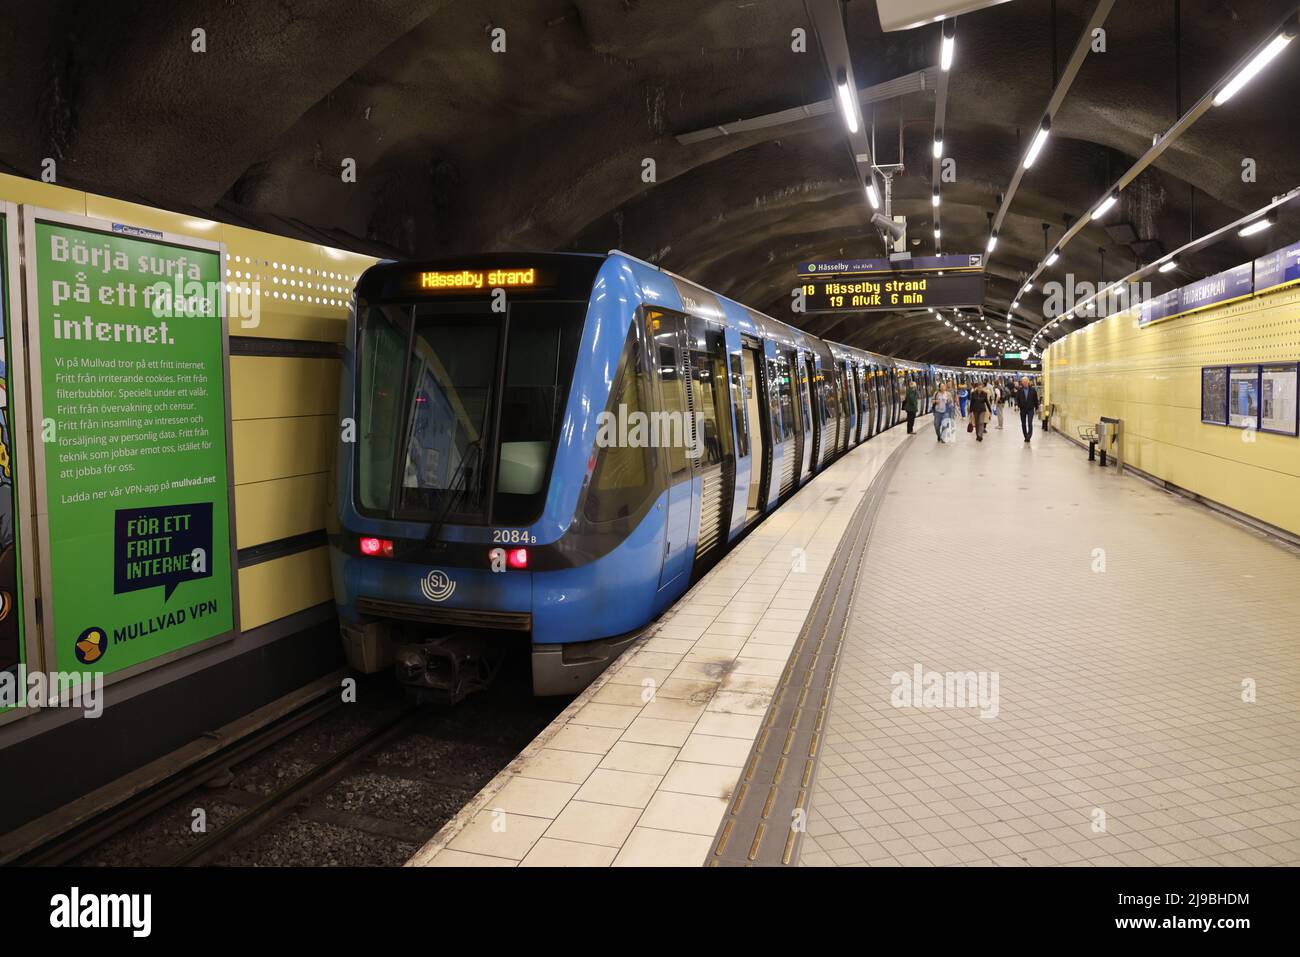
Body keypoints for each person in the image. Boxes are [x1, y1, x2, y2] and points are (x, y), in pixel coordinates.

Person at [1015, 376, 1040, 443]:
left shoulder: (1033, 390)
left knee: (1029, 423)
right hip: (1022, 409)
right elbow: (1017, 399)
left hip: (1030, 409)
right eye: (1024, 382)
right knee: (1023, 423)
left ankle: (1029, 436)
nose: (1025, 383)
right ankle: (1025, 436)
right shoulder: (1020, 390)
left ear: (1028, 382)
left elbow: (1036, 400)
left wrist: (1037, 408)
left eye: (1026, 382)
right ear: (1022, 383)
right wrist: (1016, 405)